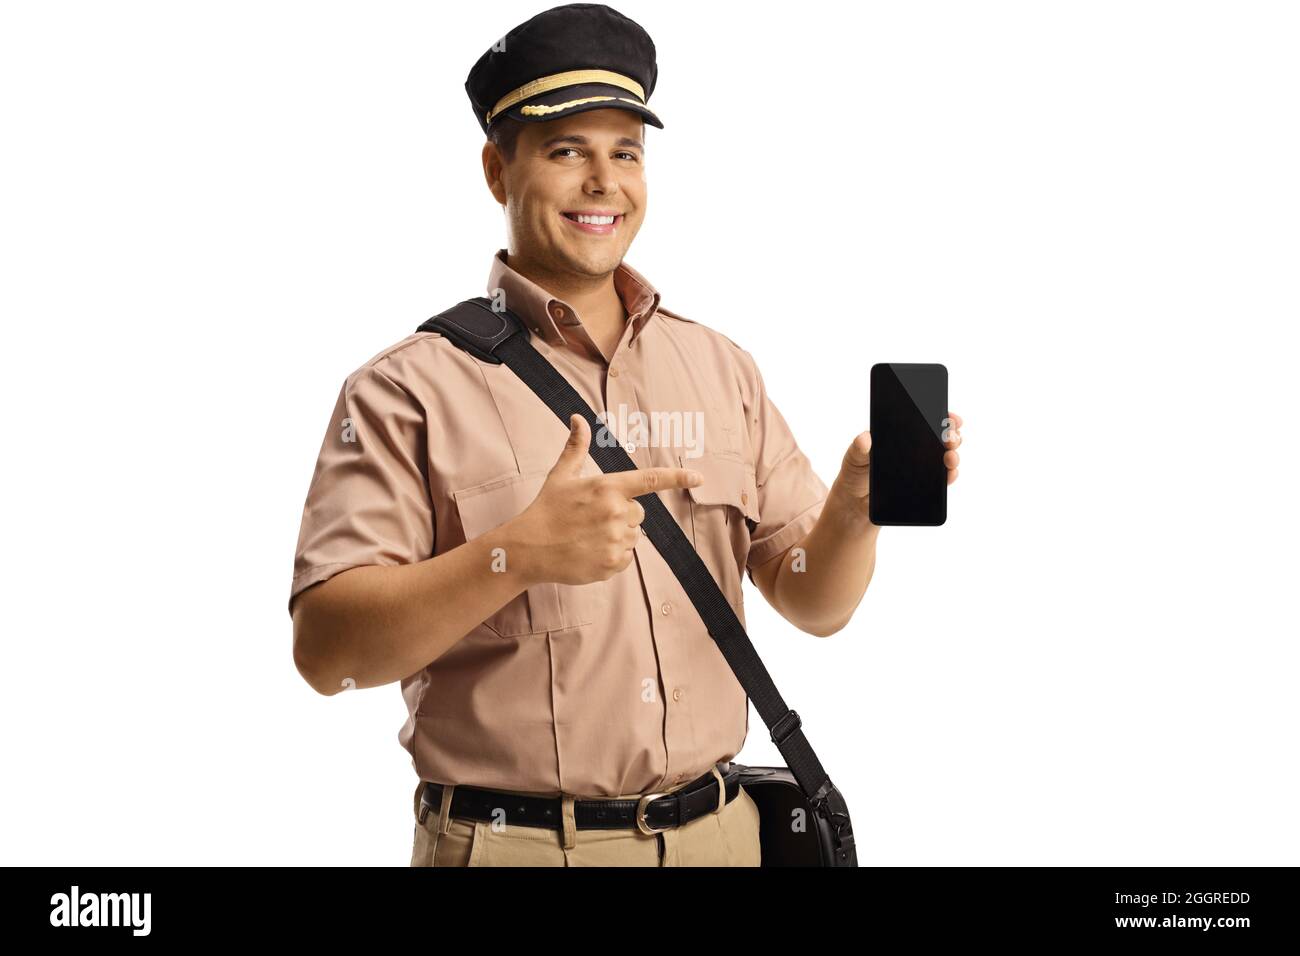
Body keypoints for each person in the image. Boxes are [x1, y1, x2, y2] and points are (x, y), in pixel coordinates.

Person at [288, 3, 964, 867]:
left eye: (626, 152)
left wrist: (855, 513)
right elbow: (326, 652)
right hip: (517, 850)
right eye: (567, 150)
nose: (604, 182)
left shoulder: (722, 368)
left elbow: (814, 602)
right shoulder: (404, 389)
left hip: (723, 841)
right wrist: (516, 554)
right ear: (498, 171)